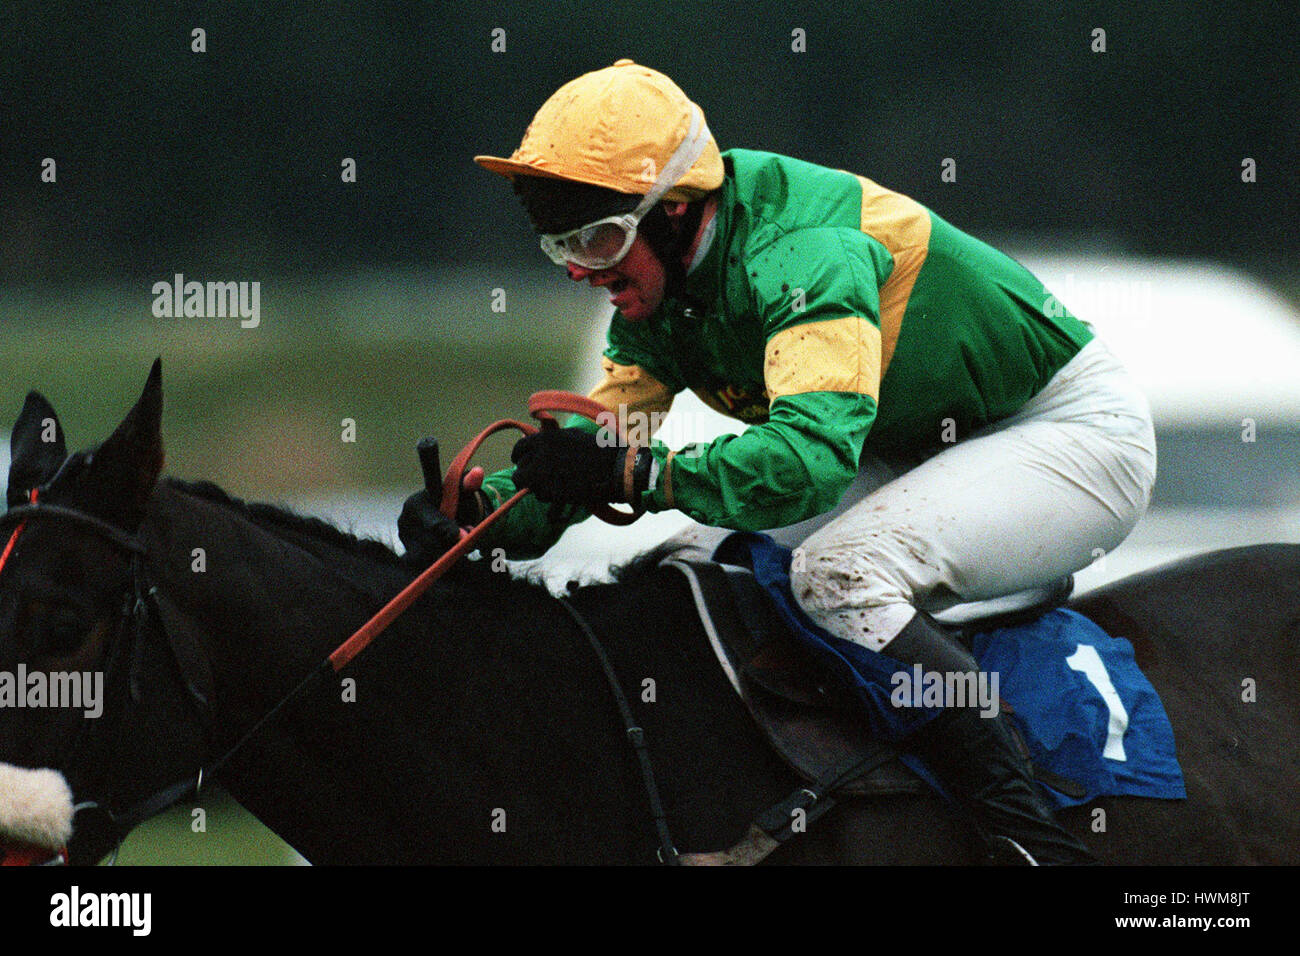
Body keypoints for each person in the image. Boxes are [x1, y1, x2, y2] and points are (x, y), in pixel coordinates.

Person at [399, 59, 1156, 864]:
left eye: (599, 239)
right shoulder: (661, 288)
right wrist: (489, 514)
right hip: (915, 444)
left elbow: (808, 460)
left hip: (1067, 432)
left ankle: (1028, 841)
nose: (584, 270)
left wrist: (640, 477)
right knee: (697, 565)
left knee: (840, 575)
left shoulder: (803, 252)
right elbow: (611, 443)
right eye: (561, 246)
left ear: (676, 212)